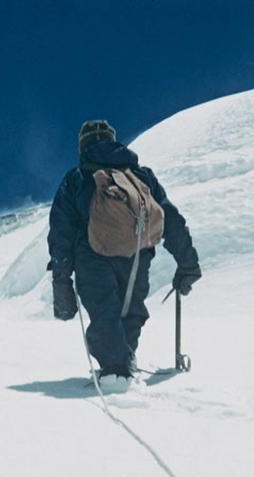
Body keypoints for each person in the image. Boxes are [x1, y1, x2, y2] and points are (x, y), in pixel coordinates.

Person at [47, 119, 201, 387]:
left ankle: (116, 374)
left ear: (83, 146)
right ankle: (123, 365)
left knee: (104, 313)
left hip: (93, 255)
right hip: (137, 255)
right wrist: (187, 262)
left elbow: (62, 230)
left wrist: (62, 278)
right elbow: (170, 218)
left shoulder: (77, 178)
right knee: (131, 311)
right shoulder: (141, 176)